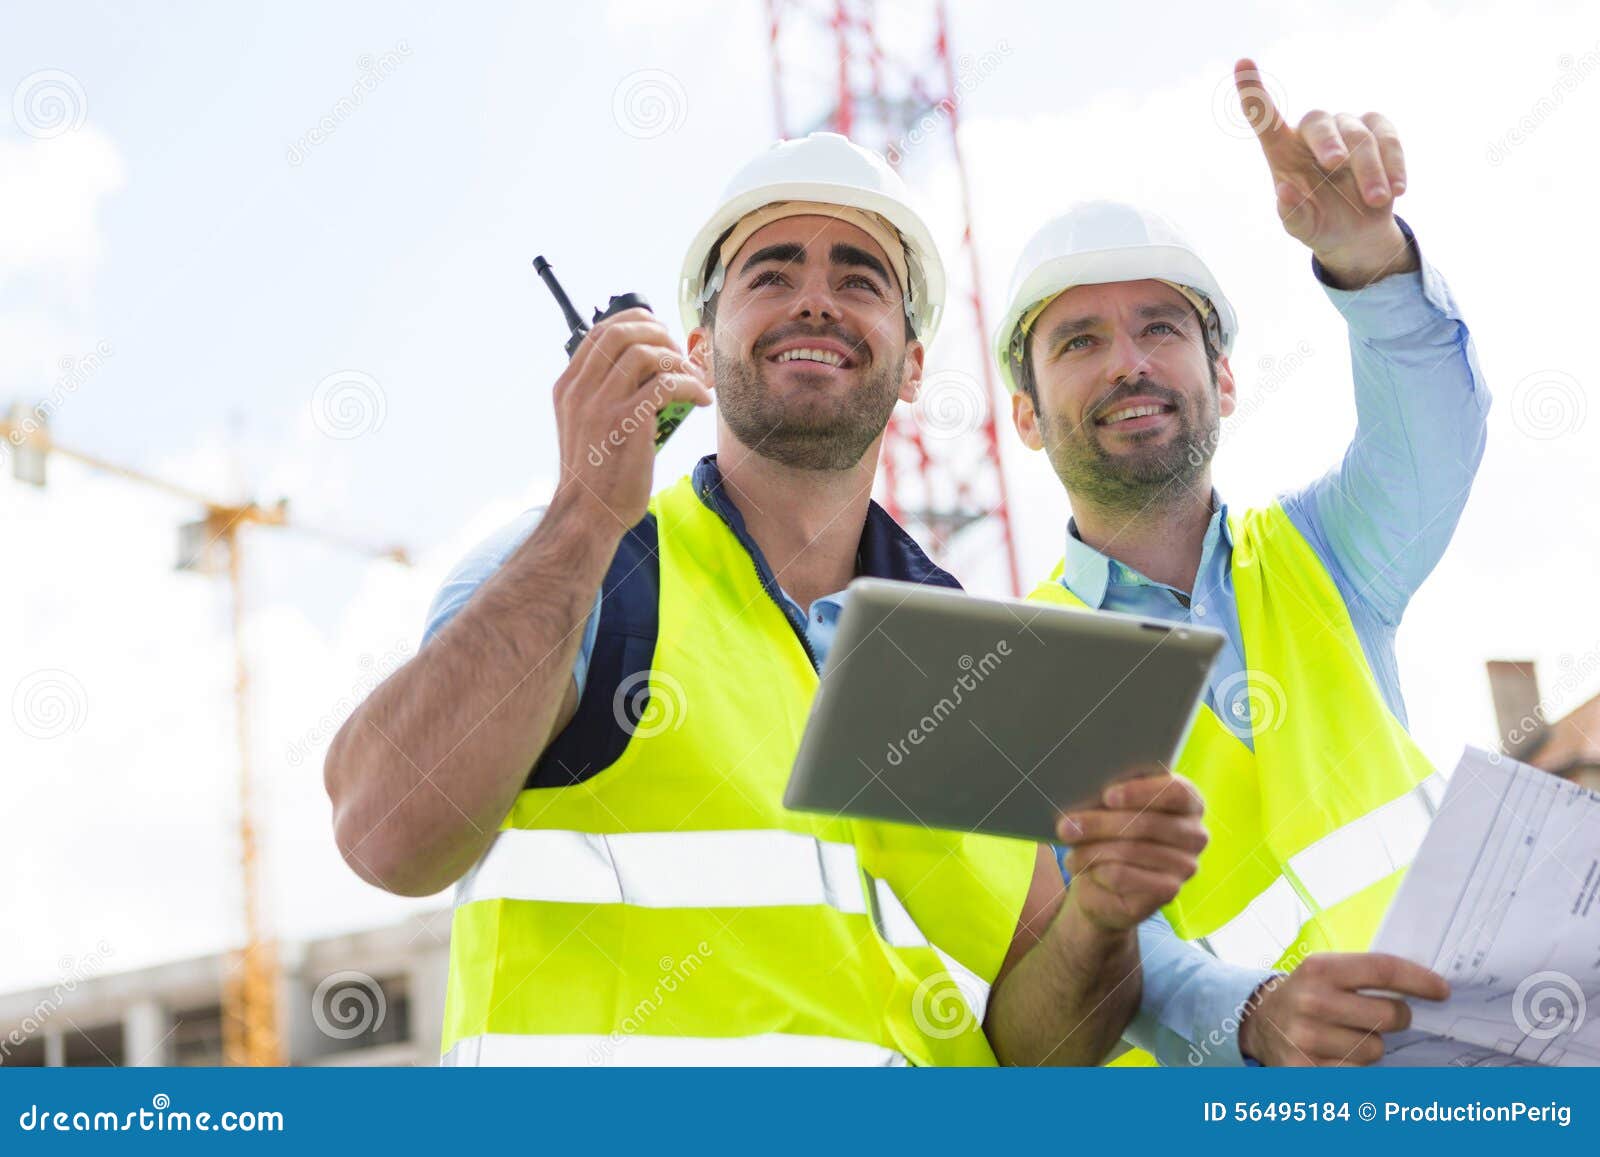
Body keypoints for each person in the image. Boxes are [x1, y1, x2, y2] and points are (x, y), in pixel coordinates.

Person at [325, 132, 1212, 1066]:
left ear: (913, 366)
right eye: (773, 274)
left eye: (861, 279)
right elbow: (388, 834)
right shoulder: (575, 569)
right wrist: (584, 516)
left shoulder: (964, 656)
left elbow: (1042, 1045)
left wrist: (1101, 921)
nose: (818, 300)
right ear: (701, 349)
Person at [995, 61, 1485, 1066]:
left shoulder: (1324, 556)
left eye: (1160, 327)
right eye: (1079, 340)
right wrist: (1252, 1015)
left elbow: (1436, 432)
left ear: (1220, 374)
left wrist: (1368, 259)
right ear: (1025, 418)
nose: (1128, 361)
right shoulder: (1011, 677)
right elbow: (1096, 955)